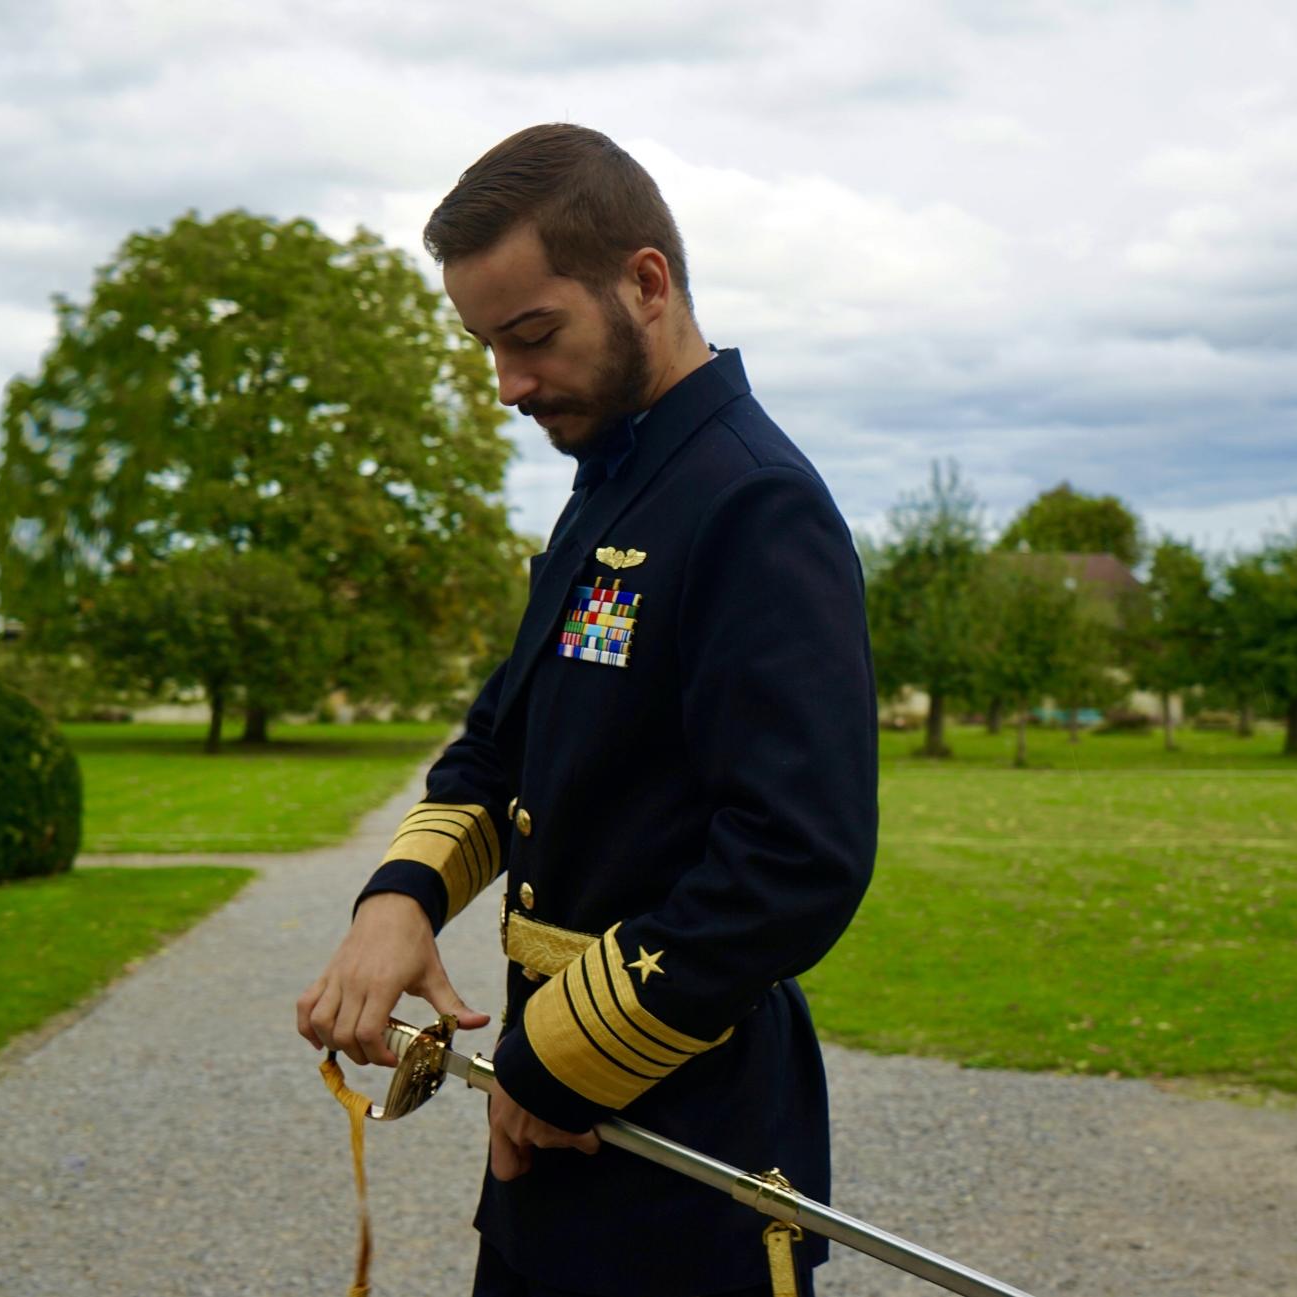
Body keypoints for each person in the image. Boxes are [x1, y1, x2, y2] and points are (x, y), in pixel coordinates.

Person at [296, 123, 877, 1297]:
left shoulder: (753, 502)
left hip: (682, 1151)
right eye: (486, 347)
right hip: (554, 1142)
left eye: (531, 336)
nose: (508, 384)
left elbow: (792, 859)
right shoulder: (610, 489)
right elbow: (502, 742)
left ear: (645, 282)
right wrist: (398, 900)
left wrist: (552, 1060)